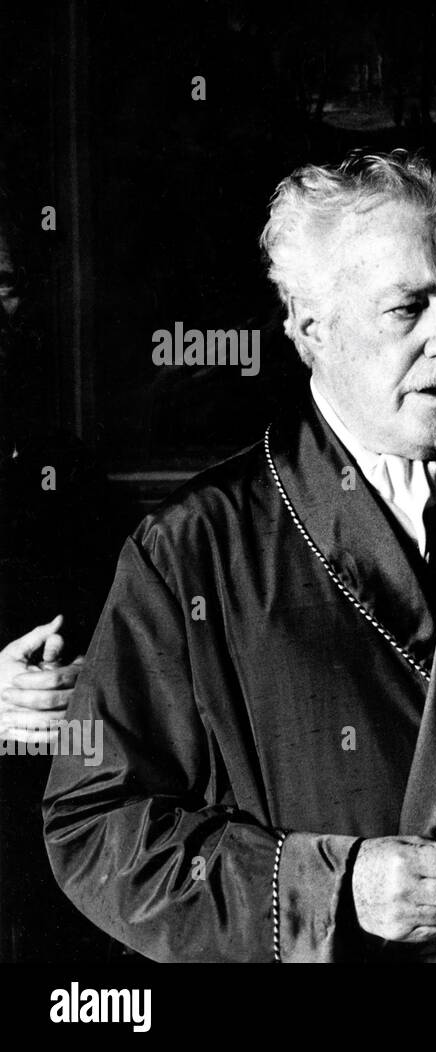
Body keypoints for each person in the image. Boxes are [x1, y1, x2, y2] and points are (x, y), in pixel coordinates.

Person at [43, 151, 436, 963]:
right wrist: (331, 886)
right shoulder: (191, 550)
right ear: (310, 330)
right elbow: (93, 828)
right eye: (410, 308)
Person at [0, 209, 116, 962]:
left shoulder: (61, 462)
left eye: (3, 284)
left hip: (60, 818)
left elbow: (121, 633)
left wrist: (77, 688)